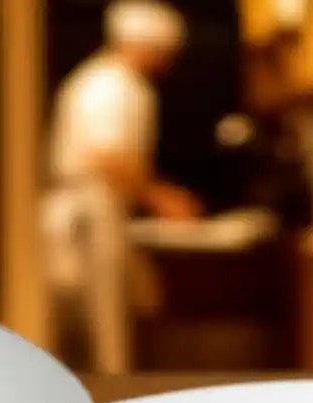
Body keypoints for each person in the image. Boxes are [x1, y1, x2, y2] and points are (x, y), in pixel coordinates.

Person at [43, 0, 201, 374]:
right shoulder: (109, 85)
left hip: (100, 206)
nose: (166, 62)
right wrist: (161, 197)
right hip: (87, 211)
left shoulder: (119, 82)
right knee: (101, 332)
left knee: (107, 325)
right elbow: (106, 154)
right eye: (163, 52)